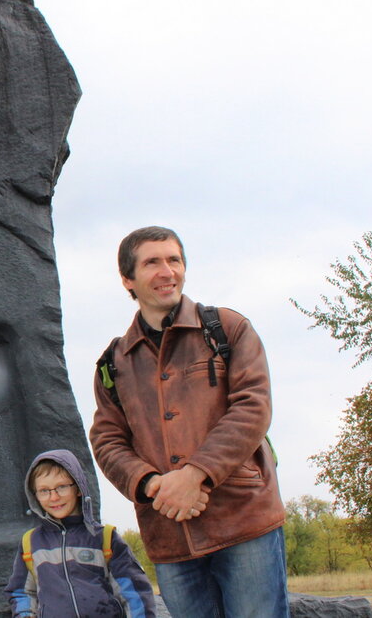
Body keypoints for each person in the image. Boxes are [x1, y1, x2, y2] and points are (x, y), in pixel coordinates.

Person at [89, 226, 288, 617]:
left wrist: (194, 474)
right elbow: (107, 440)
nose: (167, 271)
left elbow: (253, 408)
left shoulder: (227, 329)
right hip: (168, 533)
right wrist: (150, 484)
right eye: (152, 263)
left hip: (244, 521)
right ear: (127, 279)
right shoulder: (114, 362)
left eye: (174, 260)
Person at [3, 449, 155, 617]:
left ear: (78, 488)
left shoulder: (105, 537)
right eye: (44, 490)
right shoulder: (30, 543)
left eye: (61, 487)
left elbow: (134, 591)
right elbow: (22, 592)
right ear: (35, 495)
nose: (53, 497)